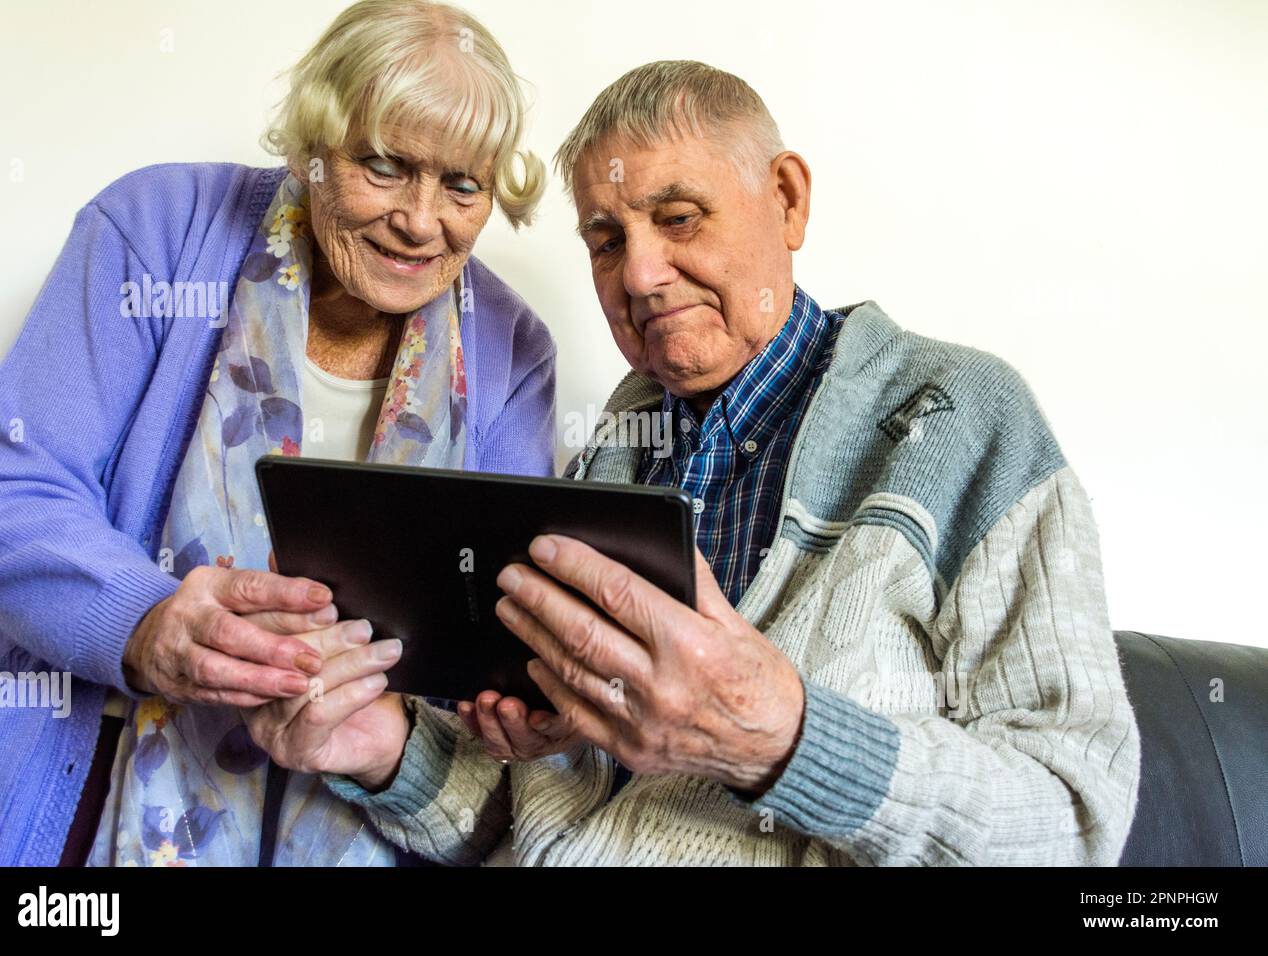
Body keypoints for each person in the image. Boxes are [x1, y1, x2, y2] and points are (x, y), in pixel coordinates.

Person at [255, 59, 1143, 867]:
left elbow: (1071, 820)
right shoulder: (612, 449)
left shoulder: (961, 418)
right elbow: (528, 824)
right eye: (605, 241)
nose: (640, 274)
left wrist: (780, 739)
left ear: (788, 200)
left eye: (678, 218)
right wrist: (382, 748)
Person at [0, 0, 560, 866]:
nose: (422, 220)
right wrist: (144, 623)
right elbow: (3, 486)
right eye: (386, 167)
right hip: (91, 787)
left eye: (463, 184)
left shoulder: (513, 350)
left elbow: (492, 640)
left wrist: (511, 707)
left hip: (355, 810)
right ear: (312, 146)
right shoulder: (156, 231)